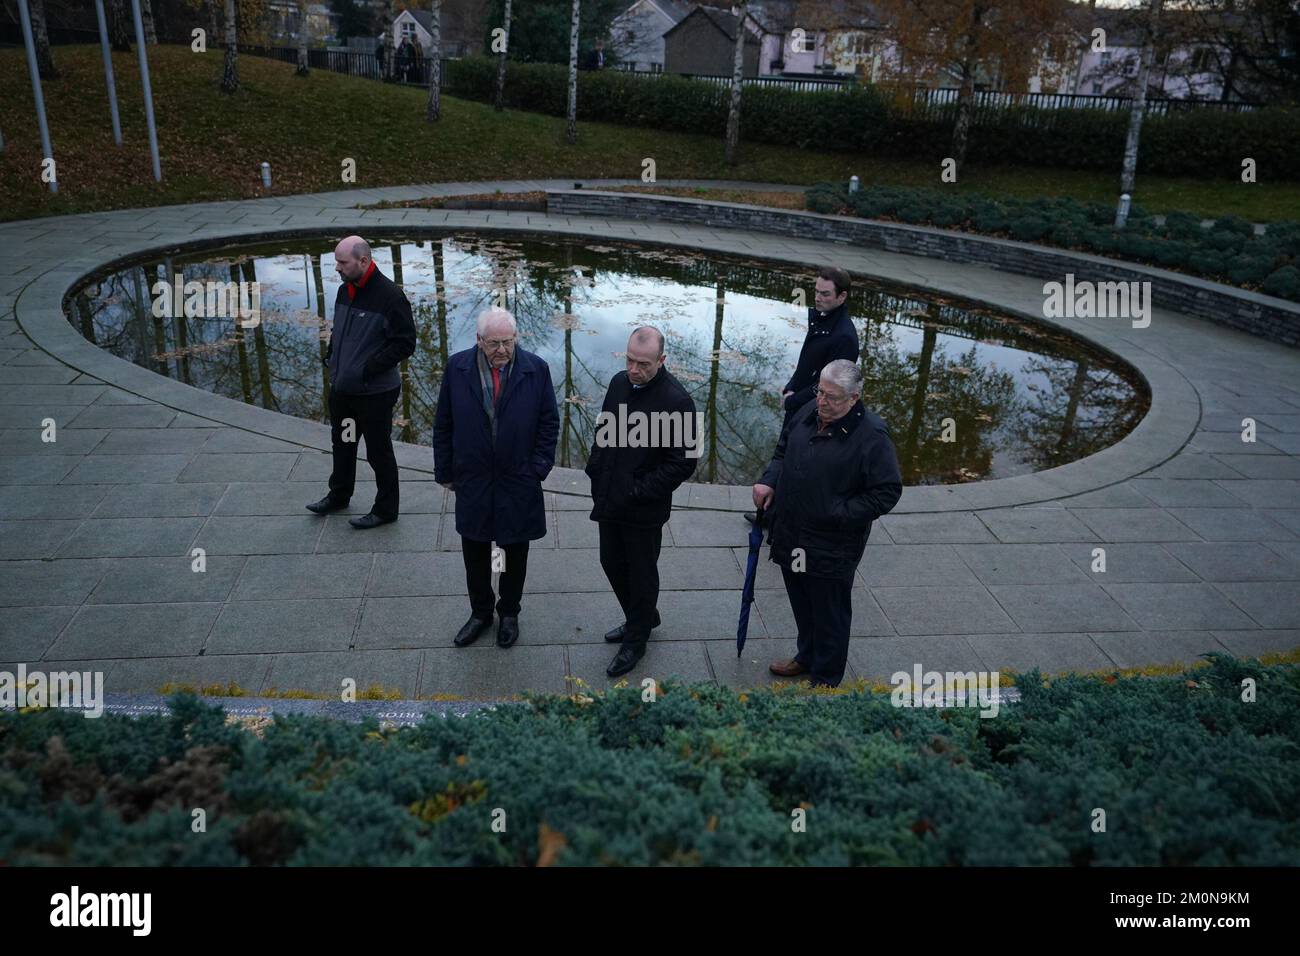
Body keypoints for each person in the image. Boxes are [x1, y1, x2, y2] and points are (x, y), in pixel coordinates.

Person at [752, 359, 902, 687]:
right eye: (820, 391)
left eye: (832, 397)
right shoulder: (809, 410)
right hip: (791, 533)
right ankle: (805, 656)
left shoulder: (872, 435)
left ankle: (826, 681)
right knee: (802, 603)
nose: (821, 401)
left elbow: (887, 491)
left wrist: (838, 512)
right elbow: (781, 451)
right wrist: (770, 481)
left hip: (831, 545)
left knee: (829, 613)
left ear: (854, 398)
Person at [433, 310, 559, 649]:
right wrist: (445, 471)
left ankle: (509, 613)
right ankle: (480, 613)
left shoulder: (536, 369)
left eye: (508, 342)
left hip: (518, 479)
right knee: (476, 550)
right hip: (473, 479)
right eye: (494, 343)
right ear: (478, 341)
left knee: (511, 550)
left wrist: (539, 467)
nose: (502, 349)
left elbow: (549, 424)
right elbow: (443, 422)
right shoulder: (457, 369)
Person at [586, 326, 698, 677]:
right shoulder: (619, 383)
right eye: (630, 360)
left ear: (662, 360)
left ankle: (636, 640)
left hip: (643, 508)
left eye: (644, 364)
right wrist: (595, 468)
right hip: (609, 496)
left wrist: (640, 490)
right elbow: (604, 430)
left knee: (641, 572)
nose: (634, 370)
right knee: (610, 562)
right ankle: (645, 616)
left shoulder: (678, 401)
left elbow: (685, 461)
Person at [308, 236, 415, 529]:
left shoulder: (391, 297)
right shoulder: (345, 291)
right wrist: (332, 356)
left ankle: (385, 509)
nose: (338, 269)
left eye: (343, 263)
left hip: (375, 393)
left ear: (363, 261)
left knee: (378, 451)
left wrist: (367, 369)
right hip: (344, 392)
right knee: (343, 442)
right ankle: (339, 495)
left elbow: (406, 344)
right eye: (336, 263)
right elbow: (340, 331)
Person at [746, 266, 859, 525]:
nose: (818, 298)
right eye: (817, 291)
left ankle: (778, 517)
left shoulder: (844, 336)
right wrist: (790, 386)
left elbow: (831, 385)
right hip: (801, 403)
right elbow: (807, 365)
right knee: (785, 457)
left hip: (816, 410)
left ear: (842, 297)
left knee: (794, 462)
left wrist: (794, 400)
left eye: (826, 294)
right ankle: (771, 514)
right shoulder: (822, 319)